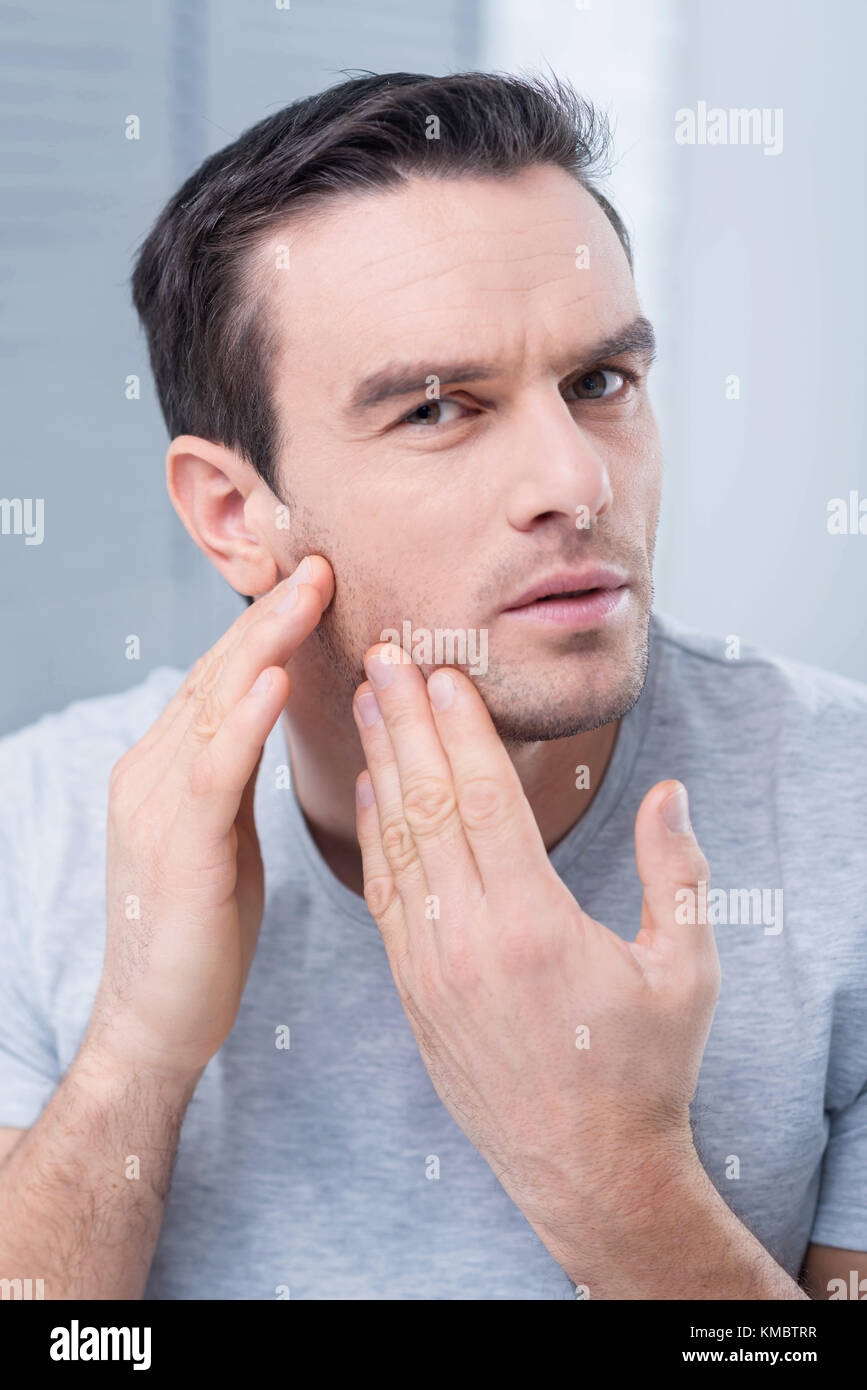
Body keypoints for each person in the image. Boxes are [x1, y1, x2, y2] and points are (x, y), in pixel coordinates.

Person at [0, 71, 864, 1301]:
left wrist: (611, 1171)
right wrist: (133, 1056)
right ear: (239, 514)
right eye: (439, 408)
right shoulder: (33, 825)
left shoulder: (847, 816)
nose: (576, 481)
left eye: (600, 383)